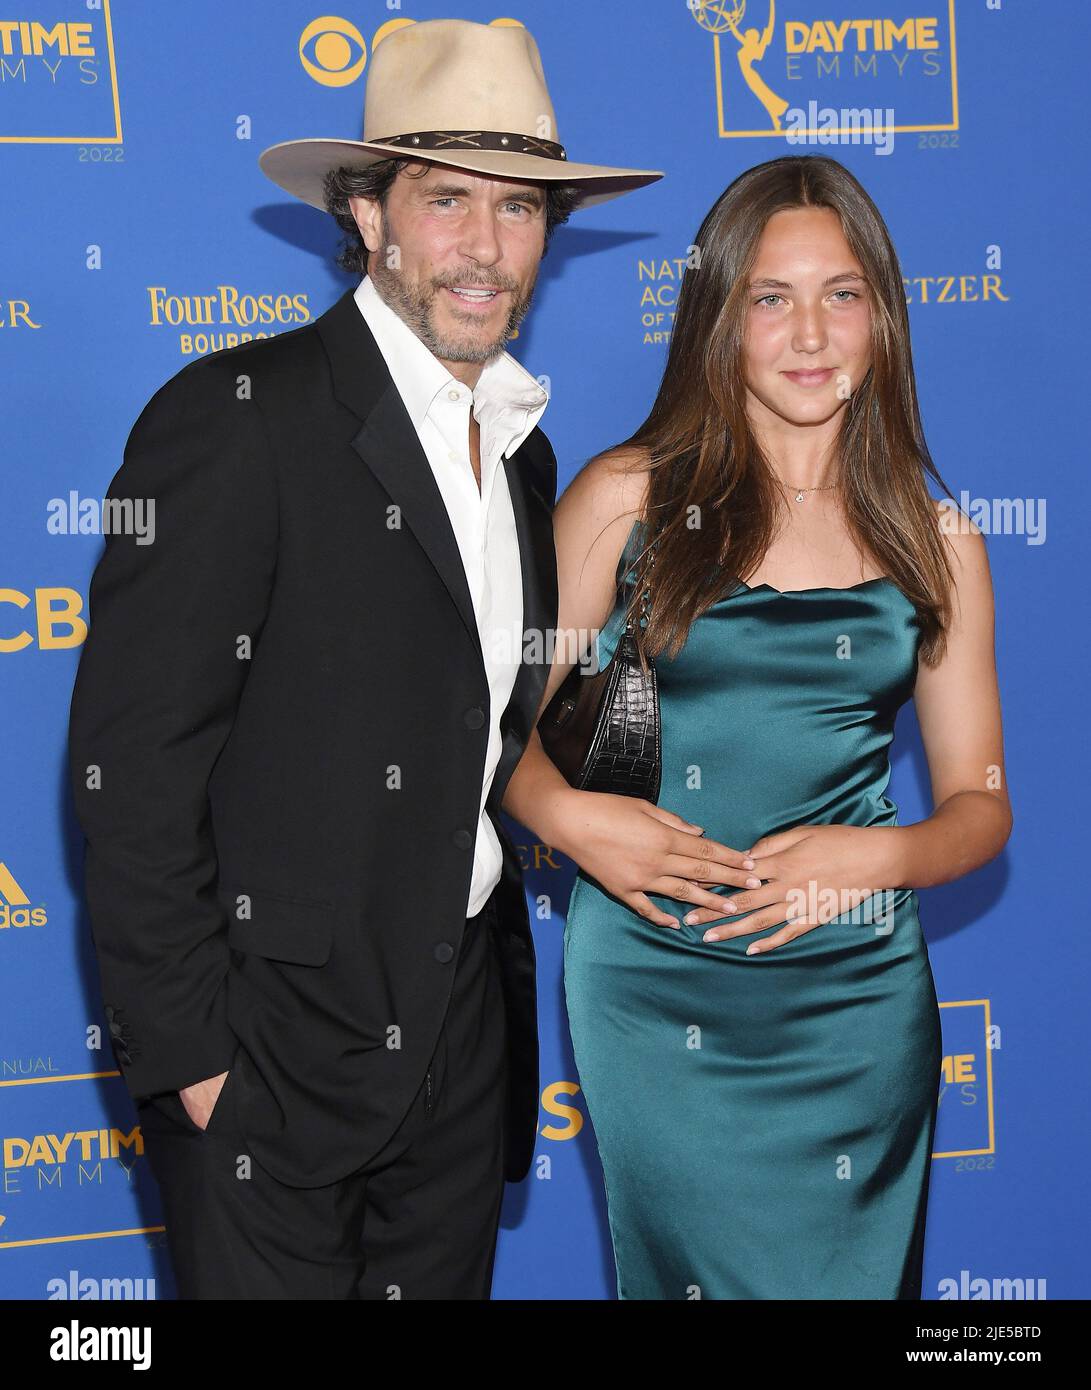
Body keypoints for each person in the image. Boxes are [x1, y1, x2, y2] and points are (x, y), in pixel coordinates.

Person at [66, 18, 661, 1300]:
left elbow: (481, 737)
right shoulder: (237, 420)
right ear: (368, 211)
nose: (484, 247)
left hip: (457, 1057)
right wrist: (198, 1067)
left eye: (518, 208)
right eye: (446, 201)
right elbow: (134, 773)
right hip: (269, 1059)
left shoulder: (523, 454)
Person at [503, 155, 1012, 1300]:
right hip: (654, 976)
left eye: (840, 293)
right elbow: (497, 741)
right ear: (715, 320)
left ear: (880, 315)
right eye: (768, 299)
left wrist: (877, 855)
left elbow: (981, 804)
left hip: (854, 992)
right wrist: (575, 820)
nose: (808, 332)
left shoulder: (940, 542)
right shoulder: (621, 499)